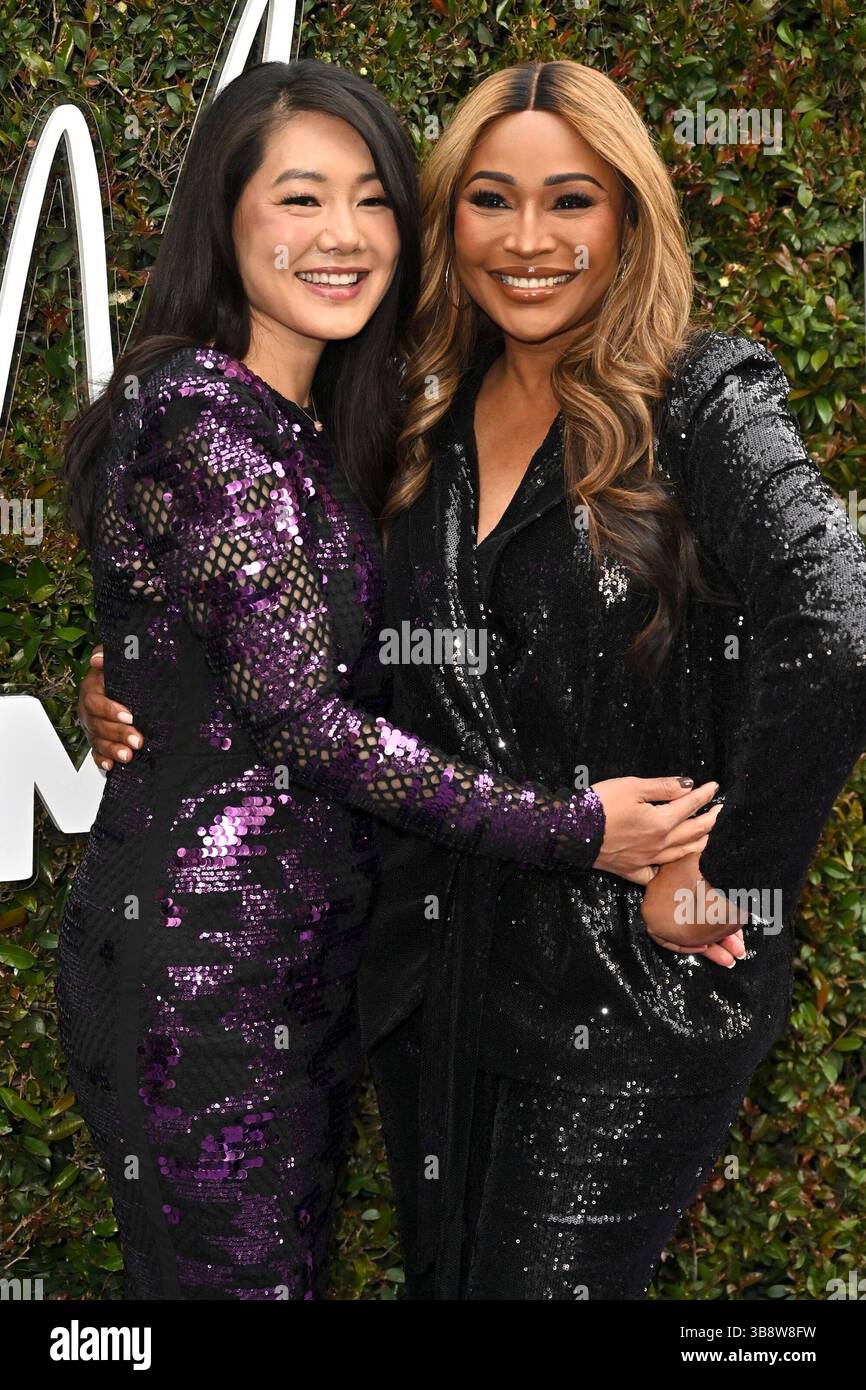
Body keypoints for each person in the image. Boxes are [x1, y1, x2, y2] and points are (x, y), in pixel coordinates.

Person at [61, 58, 718, 1301]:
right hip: (199, 986)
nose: (343, 236)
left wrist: (136, 665)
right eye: (299, 200)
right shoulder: (202, 411)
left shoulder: (328, 426)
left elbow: (282, 651)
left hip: (304, 980)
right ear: (226, 215)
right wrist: (579, 829)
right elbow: (305, 717)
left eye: (370, 200)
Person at [357, 61, 866, 1299]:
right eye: (489, 198)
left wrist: (727, 874)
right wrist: (136, 687)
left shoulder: (697, 397)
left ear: (625, 218)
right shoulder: (426, 413)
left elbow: (839, 620)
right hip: (442, 981)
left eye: (568, 200)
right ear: (446, 220)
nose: (527, 241)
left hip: (628, 996)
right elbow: (340, 661)